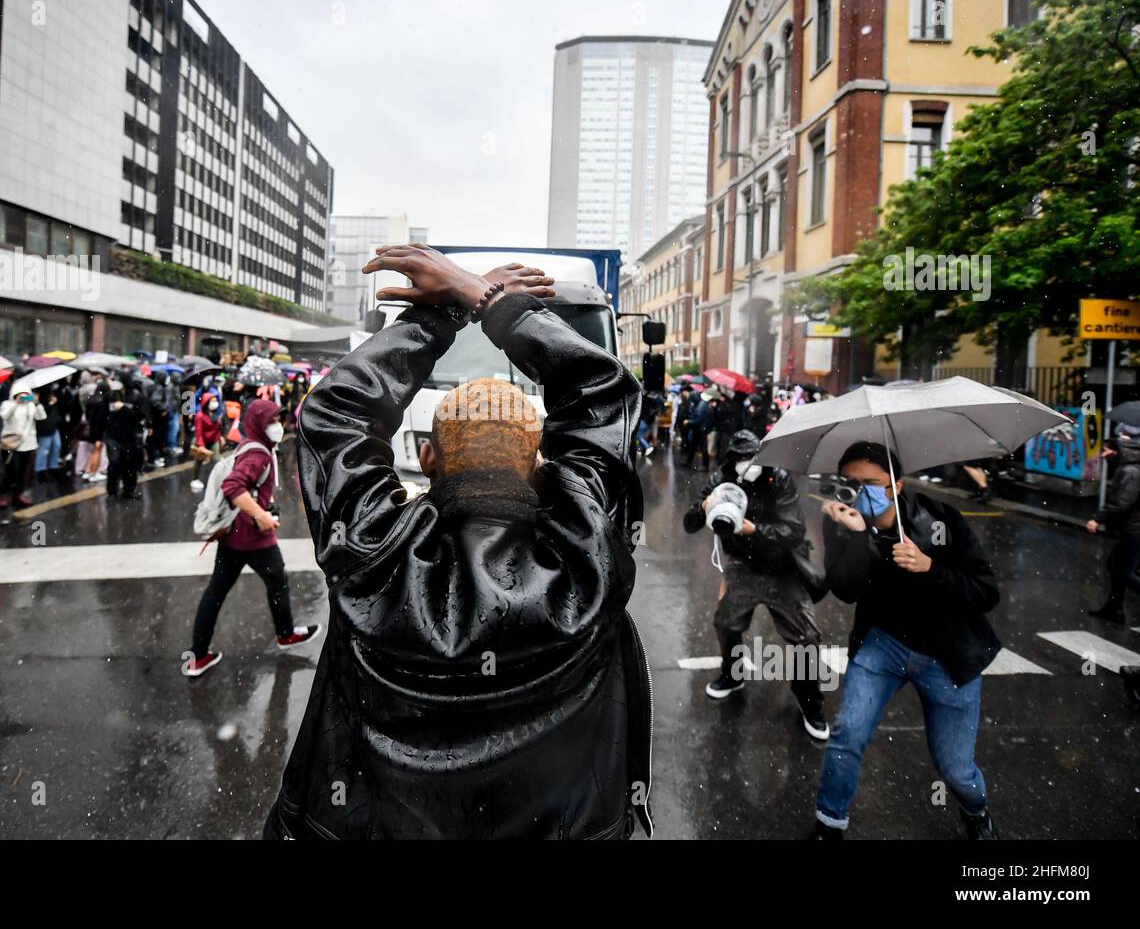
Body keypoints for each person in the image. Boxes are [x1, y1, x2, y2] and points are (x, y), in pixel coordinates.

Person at [268, 245, 652, 840]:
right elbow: (603, 396)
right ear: (537, 463)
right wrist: (486, 301)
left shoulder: (372, 554)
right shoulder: (587, 563)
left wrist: (440, 315)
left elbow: (333, 417)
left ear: (424, 457)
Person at [812, 441, 1001, 840]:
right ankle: (830, 823)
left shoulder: (940, 519)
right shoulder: (842, 520)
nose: (859, 490)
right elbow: (845, 589)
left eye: (871, 483)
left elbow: (985, 592)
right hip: (883, 644)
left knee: (954, 766)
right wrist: (857, 538)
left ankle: (976, 811)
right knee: (848, 733)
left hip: (948, 652)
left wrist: (930, 567)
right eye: (849, 482)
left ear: (896, 486)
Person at [683, 430, 828, 740]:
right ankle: (732, 674)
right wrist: (704, 506)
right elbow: (689, 523)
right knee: (726, 622)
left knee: (805, 636)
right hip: (743, 567)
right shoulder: (722, 479)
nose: (746, 465)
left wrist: (754, 529)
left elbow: (793, 530)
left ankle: (810, 700)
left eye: (752, 458)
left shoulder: (780, 479)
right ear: (730, 460)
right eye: (740, 459)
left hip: (783, 567)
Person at [184, 399, 317, 676]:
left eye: (279, 420)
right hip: (253, 537)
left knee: (216, 593)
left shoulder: (249, 446)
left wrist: (265, 507)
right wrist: (261, 515)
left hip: (232, 536)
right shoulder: (258, 454)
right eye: (271, 421)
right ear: (258, 422)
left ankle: (197, 656)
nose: (278, 426)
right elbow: (233, 485)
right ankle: (285, 633)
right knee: (277, 580)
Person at [1085, 423, 1140, 623]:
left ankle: (1114, 609)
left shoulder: (1131, 471)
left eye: (1106, 451)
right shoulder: (1129, 467)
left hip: (1134, 529)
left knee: (1124, 572)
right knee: (1117, 566)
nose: (1103, 455)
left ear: (1117, 451)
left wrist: (1097, 518)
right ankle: (1114, 608)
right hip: (1131, 527)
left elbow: (1122, 502)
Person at [0, 386, 45, 523]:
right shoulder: (7, 404)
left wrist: (36, 403)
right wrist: (15, 403)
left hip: (29, 443)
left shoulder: (31, 405)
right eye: (20, 394)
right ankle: (4, 495)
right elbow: (4, 416)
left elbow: (42, 417)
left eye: (26, 395)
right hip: (11, 444)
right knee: (10, 471)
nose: (24, 397)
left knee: (24, 472)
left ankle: (18, 494)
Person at [104, 374, 147, 501]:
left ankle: (129, 490)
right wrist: (97, 435)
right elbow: (101, 414)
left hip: (130, 437)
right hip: (112, 437)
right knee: (114, 464)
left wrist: (123, 408)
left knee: (129, 465)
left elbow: (140, 416)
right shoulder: (110, 396)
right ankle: (112, 492)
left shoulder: (137, 397)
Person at [189, 393, 224, 491]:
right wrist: (201, 446)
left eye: (215, 401)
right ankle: (195, 479)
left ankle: (220, 479)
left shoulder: (215, 413)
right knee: (199, 460)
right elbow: (198, 433)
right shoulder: (200, 416)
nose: (215, 403)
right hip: (202, 440)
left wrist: (220, 437)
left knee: (217, 459)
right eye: (212, 401)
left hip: (213, 439)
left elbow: (217, 428)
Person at [32, 385, 63, 486]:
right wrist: (50, 404)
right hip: (44, 429)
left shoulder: (50, 396)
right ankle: (40, 471)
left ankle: (53, 468)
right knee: (44, 450)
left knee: (56, 446)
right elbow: (42, 413)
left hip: (53, 427)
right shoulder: (37, 400)